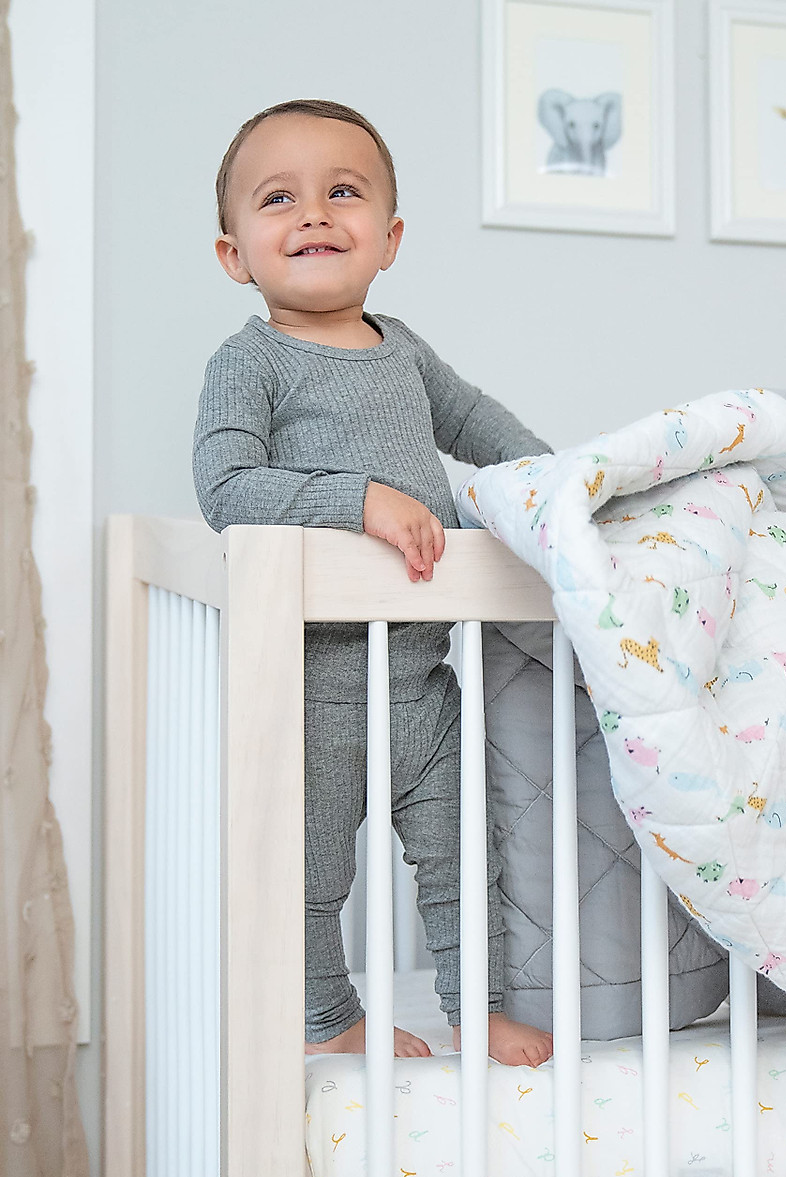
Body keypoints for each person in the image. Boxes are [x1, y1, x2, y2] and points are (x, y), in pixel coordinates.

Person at [192, 98, 554, 1067]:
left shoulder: (405, 351)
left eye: (343, 192)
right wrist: (358, 501)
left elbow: (485, 427)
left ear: (389, 239)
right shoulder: (249, 362)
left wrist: (561, 488)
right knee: (310, 875)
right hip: (314, 684)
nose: (314, 213)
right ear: (235, 255)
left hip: (423, 678)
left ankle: (477, 1008)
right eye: (279, 199)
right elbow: (226, 486)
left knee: (465, 859)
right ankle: (329, 1018)